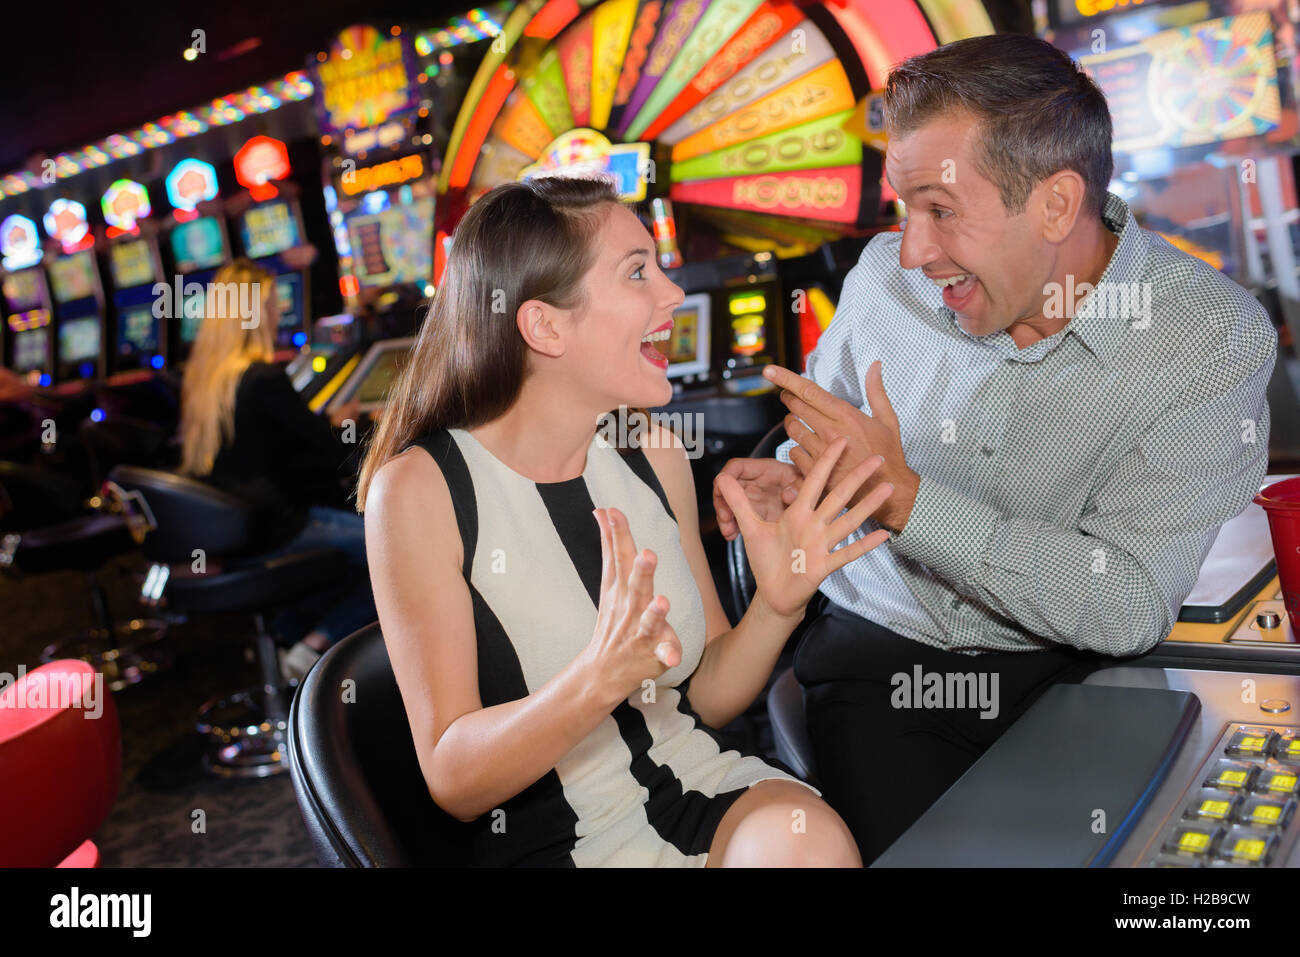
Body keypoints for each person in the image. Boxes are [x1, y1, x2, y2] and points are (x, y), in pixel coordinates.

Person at [714, 32, 1278, 863]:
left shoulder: (1208, 338)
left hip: (1079, 667)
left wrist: (907, 500)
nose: (911, 251)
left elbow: (1124, 604)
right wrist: (797, 488)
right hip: (882, 665)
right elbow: (831, 460)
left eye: (941, 210)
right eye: (904, 209)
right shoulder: (882, 277)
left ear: (1055, 205)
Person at [358, 176, 894, 867]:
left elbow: (705, 697)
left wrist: (779, 602)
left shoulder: (653, 450)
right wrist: (597, 678)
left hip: (698, 780)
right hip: (552, 840)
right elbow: (455, 779)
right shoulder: (421, 489)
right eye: (638, 271)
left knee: (809, 841)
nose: (674, 293)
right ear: (545, 324)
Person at [179, 258, 374, 679]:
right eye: (270, 303)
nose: (278, 312)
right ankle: (315, 645)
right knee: (401, 551)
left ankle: (292, 637)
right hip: (278, 528)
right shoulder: (263, 377)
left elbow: (274, 445)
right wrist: (347, 425)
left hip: (233, 533)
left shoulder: (205, 379)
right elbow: (330, 451)